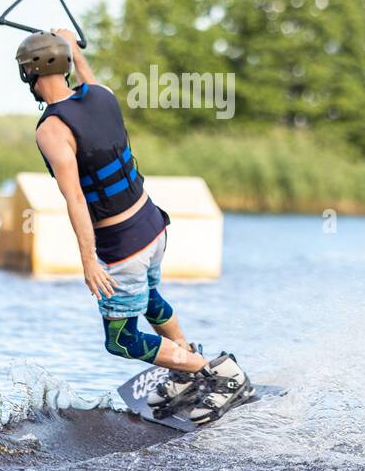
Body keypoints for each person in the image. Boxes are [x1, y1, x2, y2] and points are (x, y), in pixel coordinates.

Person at [16, 29, 249, 423]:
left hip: (123, 245)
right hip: (153, 225)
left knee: (121, 339)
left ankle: (216, 373)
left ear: (29, 73)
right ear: (67, 62)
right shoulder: (102, 95)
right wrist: (70, 45)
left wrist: (88, 259)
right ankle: (184, 367)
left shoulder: (51, 129)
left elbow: (74, 198)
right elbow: (87, 77)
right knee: (152, 301)